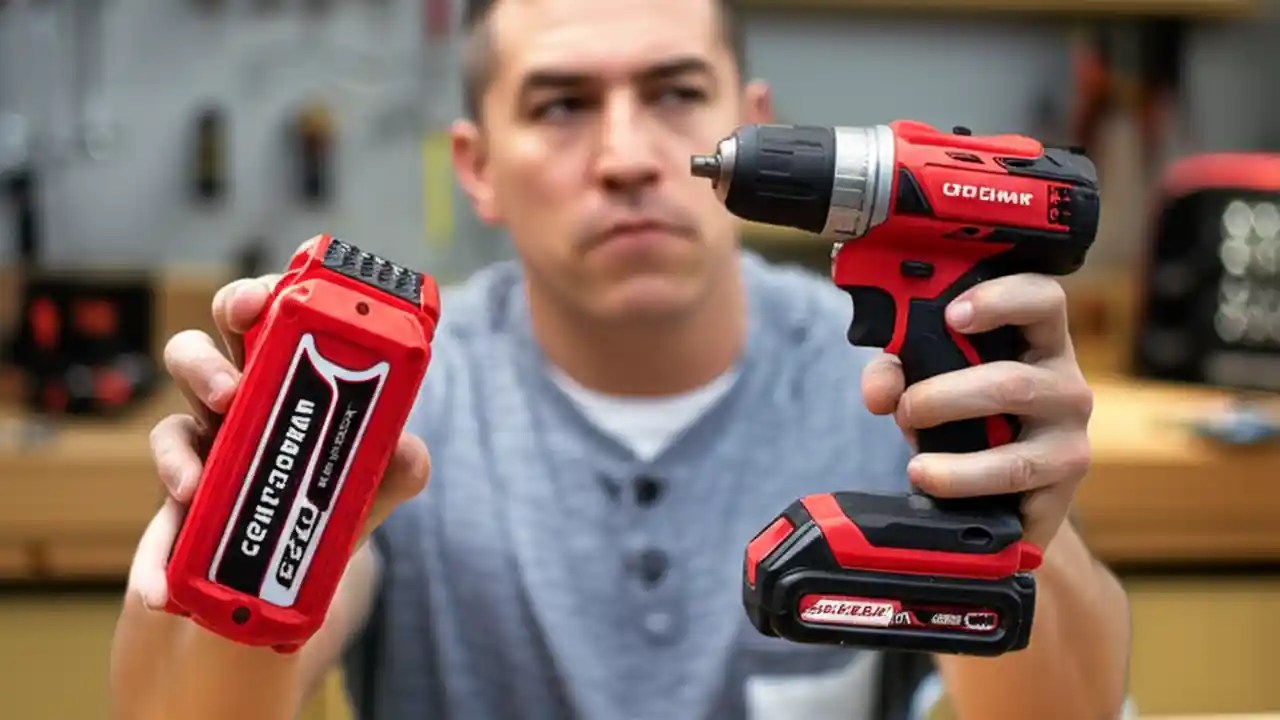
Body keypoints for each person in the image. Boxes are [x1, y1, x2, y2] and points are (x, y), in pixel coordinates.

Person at [109, 0, 1132, 718]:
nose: (628, 156)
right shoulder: (390, 393)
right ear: (477, 167)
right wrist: (250, 509)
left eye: (675, 92)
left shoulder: (907, 382)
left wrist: (1029, 526)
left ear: (756, 125)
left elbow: (1070, 716)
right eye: (559, 106)